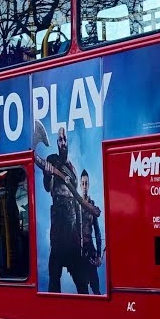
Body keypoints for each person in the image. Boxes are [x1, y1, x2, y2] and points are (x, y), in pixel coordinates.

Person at [41, 126, 80, 293]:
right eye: (60, 139)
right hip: (58, 217)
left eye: (65, 139)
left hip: (72, 221)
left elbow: (77, 202)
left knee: (79, 273)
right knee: (54, 270)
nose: (63, 142)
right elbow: (48, 188)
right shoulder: (52, 160)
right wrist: (47, 175)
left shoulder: (72, 170)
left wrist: (81, 238)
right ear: (57, 143)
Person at [75, 170, 103, 295]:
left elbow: (97, 232)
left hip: (90, 250)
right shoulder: (76, 204)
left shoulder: (92, 206)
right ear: (80, 185)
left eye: (86, 183)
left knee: (96, 289)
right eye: (83, 183)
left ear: (89, 185)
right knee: (82, 292)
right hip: (78, 253)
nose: (85, 186)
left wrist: (98, 255)